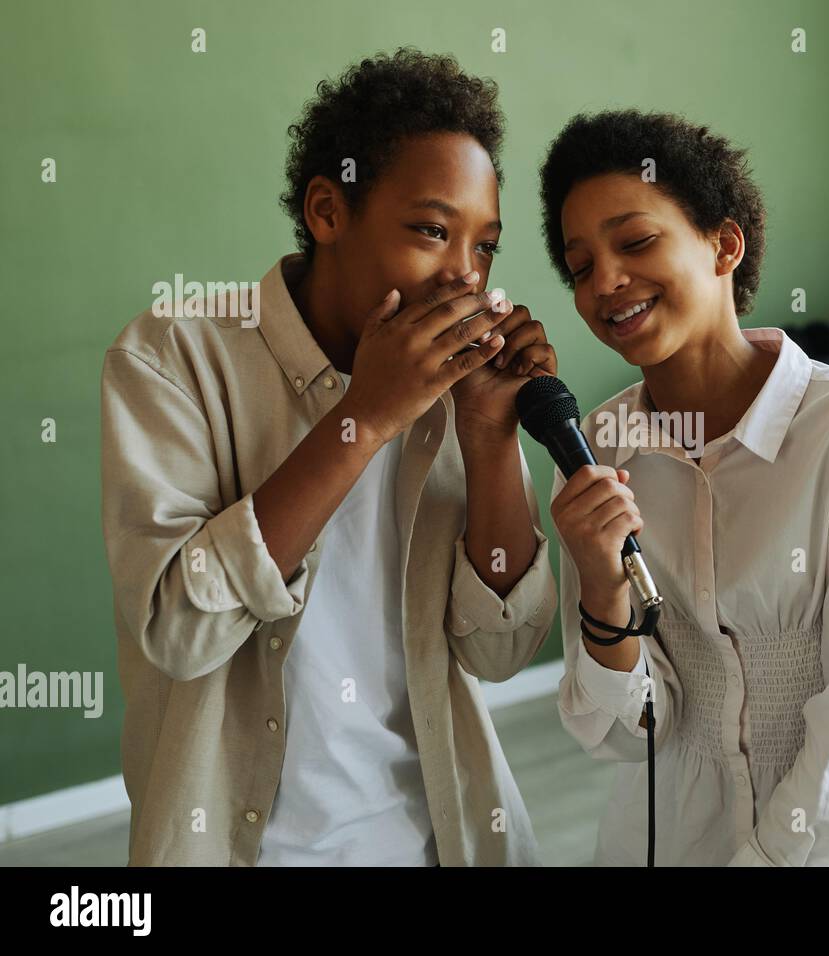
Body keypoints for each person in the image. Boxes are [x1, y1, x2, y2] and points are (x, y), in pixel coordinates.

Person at [100, 49, 557, 866]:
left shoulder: (463, 392)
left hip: (437, 838)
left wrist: (489, 440)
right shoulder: (173, 355)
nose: (464, 274)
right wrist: (365, 416)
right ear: (326, 210)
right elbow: (178, 630)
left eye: (484, 246)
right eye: (430, 230)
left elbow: (500, 653)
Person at [539, 109, 829, 866]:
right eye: (580, 265)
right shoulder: (599, 447)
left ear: (725, 244)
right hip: (679, 823)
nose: (607, 282)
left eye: (635, 242)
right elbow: (624, 731)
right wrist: (601, 587)